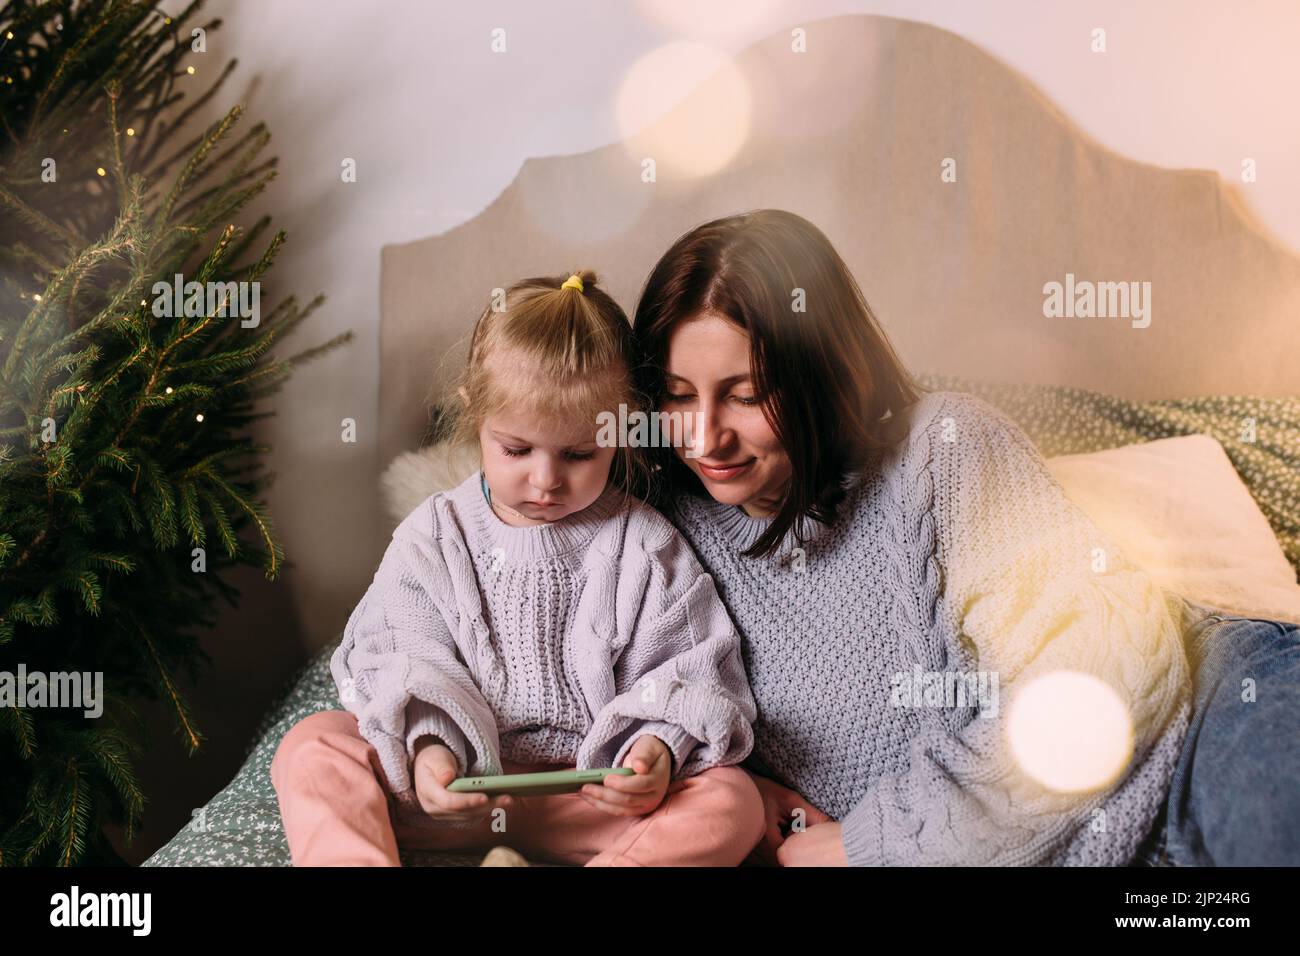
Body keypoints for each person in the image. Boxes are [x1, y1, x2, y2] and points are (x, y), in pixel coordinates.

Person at [632, 209, 1200, 866]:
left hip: (1199, 750)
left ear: (822, 374)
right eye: (677, 397)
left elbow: (1099, 679)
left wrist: (870, 846)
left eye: (747, 394)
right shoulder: (658, 534)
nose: (704, 436)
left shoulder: (941, 450)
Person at [271, 270, 763, 866]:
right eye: (517, 449)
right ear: (473, 416)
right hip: (456, 793)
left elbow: (692, 670)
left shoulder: (645, 545)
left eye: (580, 454)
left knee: (732, 801)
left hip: (589, 797)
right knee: (312, 744)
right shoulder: (435, 535)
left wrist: (654, 749)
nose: (546, 479)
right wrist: (430, 749)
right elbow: (402, 649)